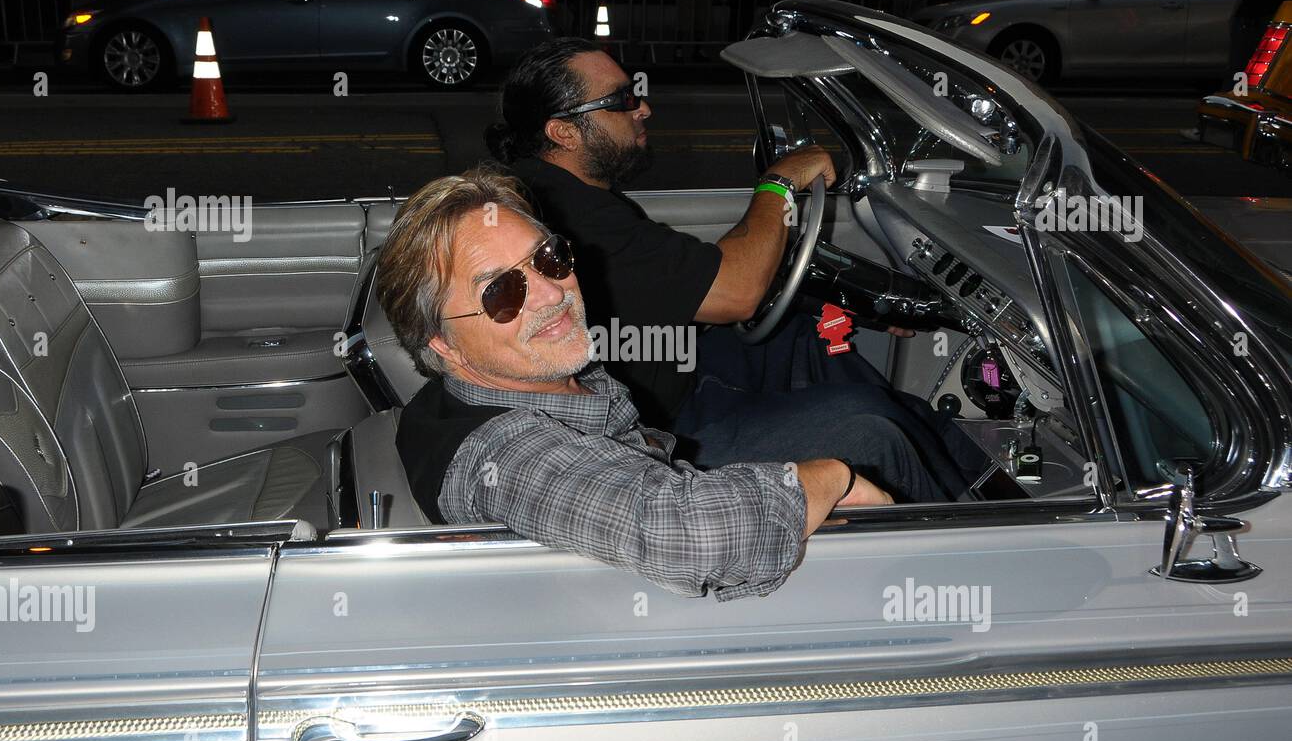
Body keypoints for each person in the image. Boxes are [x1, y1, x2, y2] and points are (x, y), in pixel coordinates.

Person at [377, 167, 944, 601]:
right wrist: (830, 477)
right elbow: (688, 535)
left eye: (549, 258)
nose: (552, 294)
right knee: (870, 437)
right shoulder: (504, 455)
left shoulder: (511, 385)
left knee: (865, 422)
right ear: (443, 345)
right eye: (500, 293)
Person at [483, 38, 987, 502]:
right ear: (563, 132)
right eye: (621, 101)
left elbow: (682, 280)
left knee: (801, 336)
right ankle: (975, 538)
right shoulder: (568, 213)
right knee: (871, 429)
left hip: (663, 372)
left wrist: (859, 303)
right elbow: (735, 292)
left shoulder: (565, 193)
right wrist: (778, 184)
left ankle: (977, 476)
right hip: (650, 430)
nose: (643, 109)